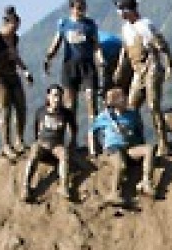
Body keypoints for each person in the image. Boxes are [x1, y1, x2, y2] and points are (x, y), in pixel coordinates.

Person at [113, 0, 172, 156]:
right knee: (131, 106)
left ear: (129, 10)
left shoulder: (145, 25)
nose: (120, 13)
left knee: (153, 105)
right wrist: (119, 69)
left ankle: (163, 142)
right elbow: (125, 50)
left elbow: (163, 46)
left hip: (151, 66)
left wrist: (170, 67)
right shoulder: (125, 29)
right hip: (137, 70)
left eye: (122, 9)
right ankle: (136, 140)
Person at [44, 0, 105, 143]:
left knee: (91, 102)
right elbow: (56, 43)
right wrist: (48, 57)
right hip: (70, 67)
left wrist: (101, 60)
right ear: (71, 8)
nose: (81, 10)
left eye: (83, 7)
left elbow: (96, 44)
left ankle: (93, 141)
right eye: (78, 7)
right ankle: (72, 140)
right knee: (70, 105)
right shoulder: (64, 24)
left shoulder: (90, 24)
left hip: (88, 66)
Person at [90, 87, 157, 204]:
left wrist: (135, 139)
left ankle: (146, 181)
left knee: (148, 150)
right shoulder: (105, 116)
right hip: (113, 147)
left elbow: (139, 132)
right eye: (123, 99)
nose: (126, 100)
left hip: (129, 147)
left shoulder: (132, 114)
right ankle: (113, 192)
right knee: (121, 165)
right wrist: (93, 150)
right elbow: (92, 131)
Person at [0, 6, 32, 157]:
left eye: (18, 27)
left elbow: (15, 55)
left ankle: (19, 140)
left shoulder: (15, 38)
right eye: (14, 26)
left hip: (13, 75)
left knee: (21, 107)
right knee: (5, 109)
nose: (16, 30)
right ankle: (6, 144)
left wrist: (25, 70)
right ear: (8, 24)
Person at [22, 84, 79, 202]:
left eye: (59, 96)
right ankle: (25, 186)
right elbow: (36, 129)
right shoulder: (40, 111)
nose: (57, 99)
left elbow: (74, 130)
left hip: (57, 146)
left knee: (64, 154)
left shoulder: (66, 113)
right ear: (48, 97)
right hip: (42, 144)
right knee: (34, 153)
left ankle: (64, 186)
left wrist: (72, 144)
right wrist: (36, 142)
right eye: (54, 96)